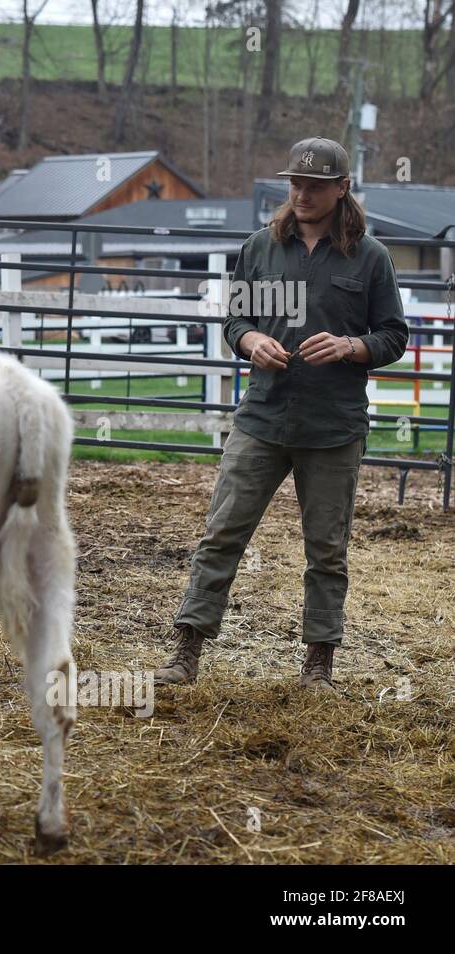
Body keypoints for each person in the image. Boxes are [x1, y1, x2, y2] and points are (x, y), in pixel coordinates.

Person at [155, 137, 409, 692]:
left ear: (342, 189)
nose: (301, 194)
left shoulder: (370, 258)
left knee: (326, 549)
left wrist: (350, 347)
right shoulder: (259, 248)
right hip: (262, 419)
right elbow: (234, 320)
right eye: (295, 183)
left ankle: (319, 663)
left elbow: (394, 337)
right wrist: (249, 342)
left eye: (315, 186)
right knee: (222, 533)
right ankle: (186, 649)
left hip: (333, 428)